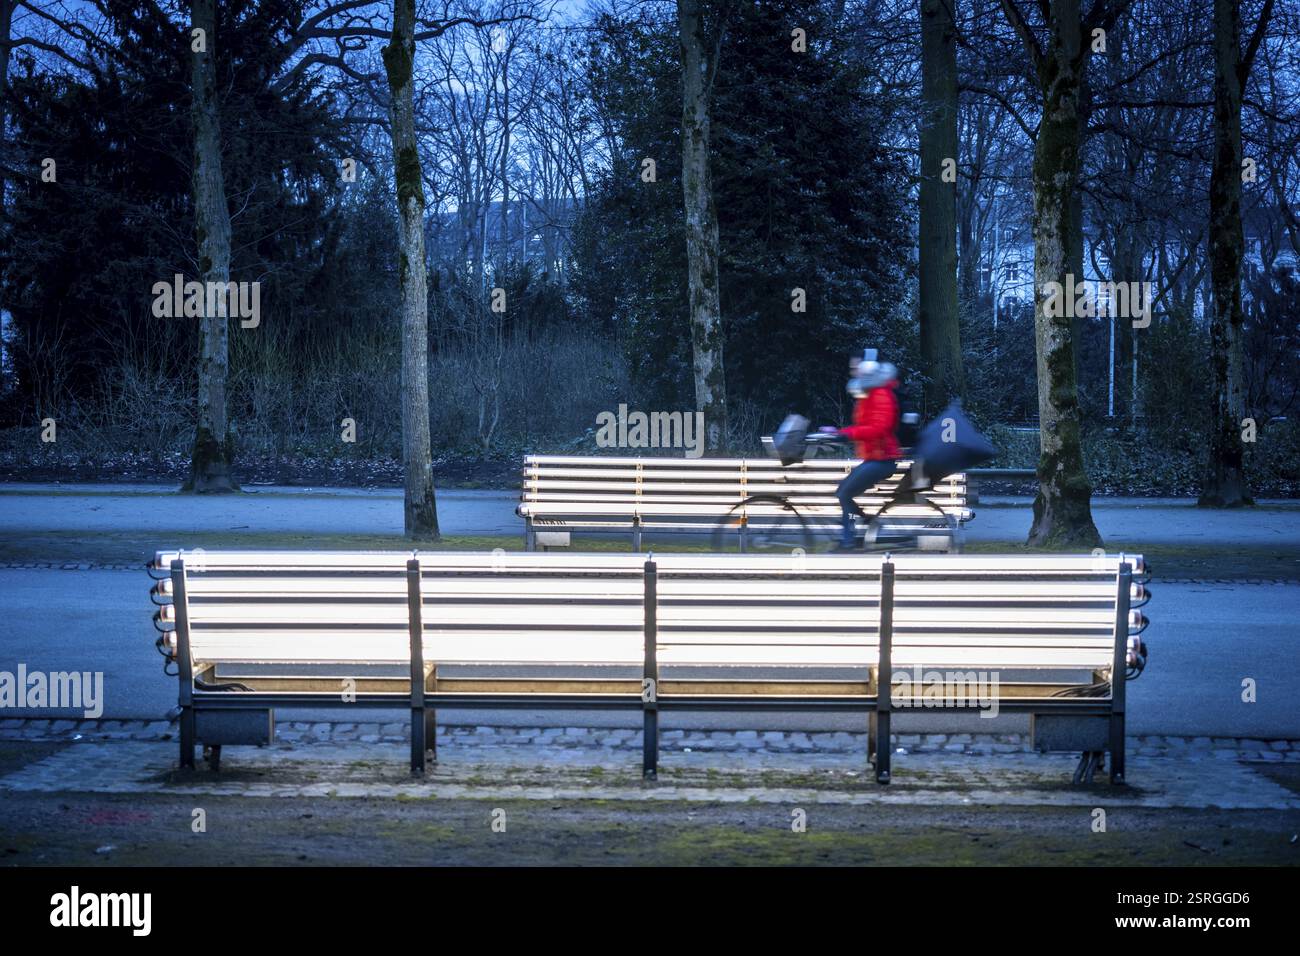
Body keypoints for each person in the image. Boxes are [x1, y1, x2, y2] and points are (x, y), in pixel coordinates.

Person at [824, 353, 901, 551]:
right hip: (874, 457)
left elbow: (878, 428)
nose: (853, 371)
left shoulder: (880, 393)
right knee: (844, 492)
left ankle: (848, 540)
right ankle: (867, 522)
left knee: (844, 492)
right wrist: (839, 433)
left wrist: (847, 435)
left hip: (883, 459)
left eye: (856, 367)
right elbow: (865, 426)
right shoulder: (869, 393)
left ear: (868, 368)